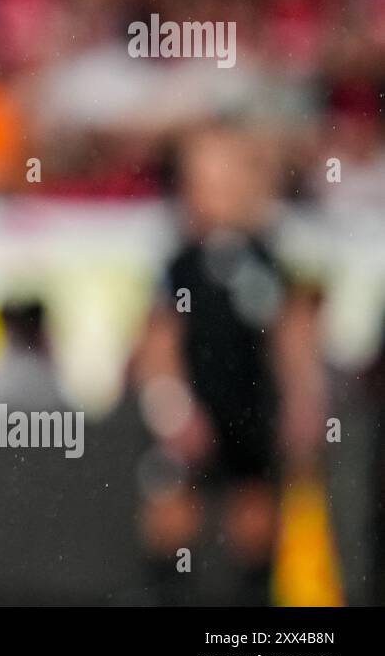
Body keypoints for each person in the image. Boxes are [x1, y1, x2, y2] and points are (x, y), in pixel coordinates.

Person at [130, 125, 324, 605]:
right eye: (207, 182)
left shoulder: (270, 260)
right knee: (172, 507)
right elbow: (158, 344)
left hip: (252, 407)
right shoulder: (181, 265)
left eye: (232, 181)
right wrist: (172, 408)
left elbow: (292, 338)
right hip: (195, 402)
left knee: (255, 511)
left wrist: (303, 401)